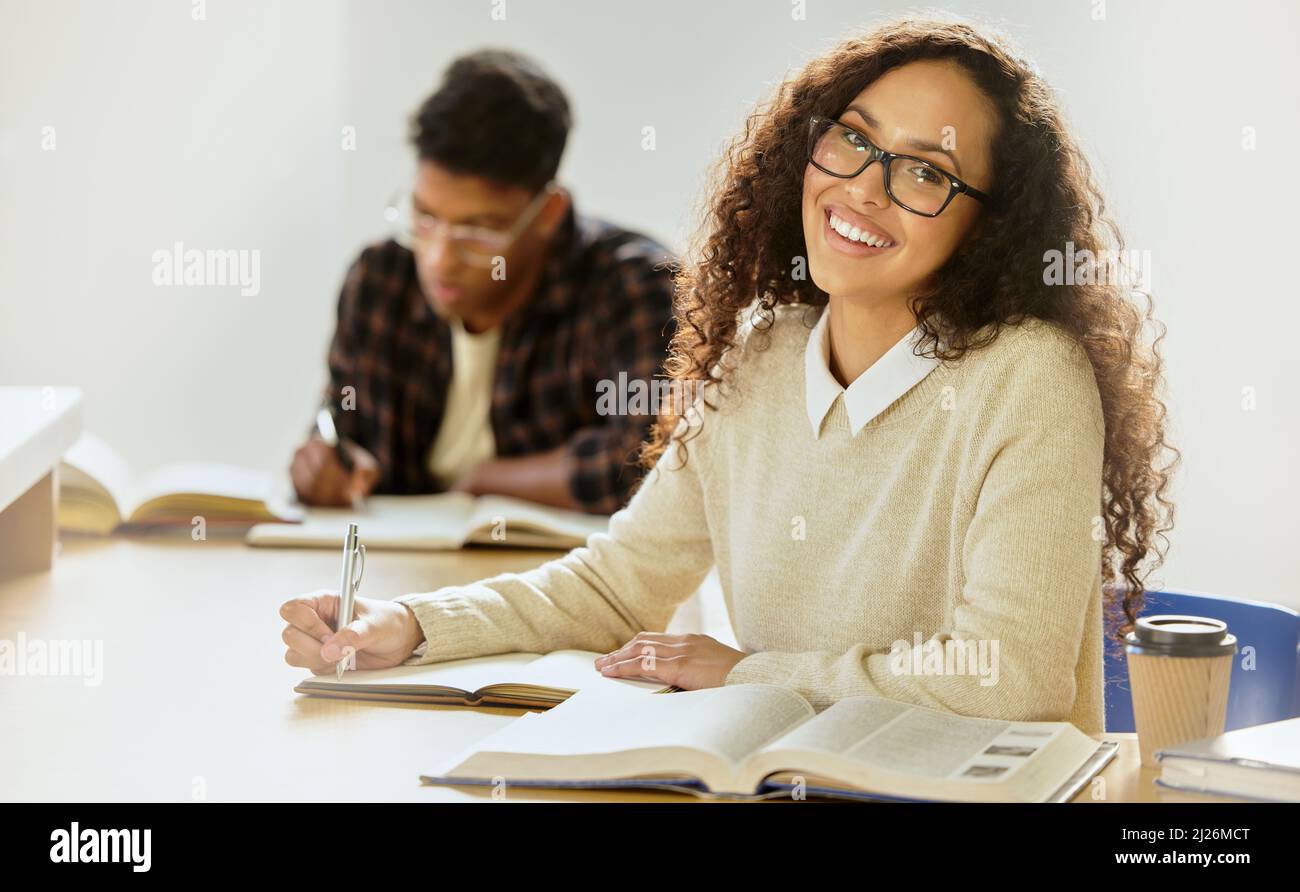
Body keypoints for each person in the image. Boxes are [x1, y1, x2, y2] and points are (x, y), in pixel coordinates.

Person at [280, 17, 1178, 735]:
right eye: (853, 141)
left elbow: (1009, 678)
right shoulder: (759, 355)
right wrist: (411, 626)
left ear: (989, 226)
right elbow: (612, 586)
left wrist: (747, 672)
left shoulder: (1031, 377)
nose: (864, 189)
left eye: (925, 173)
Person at [289, 49, 676, 515]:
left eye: (478, 231)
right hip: (393, 578)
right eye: (425, 217)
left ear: (548, 213)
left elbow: (648, 460)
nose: (439, 258)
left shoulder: (634, 286)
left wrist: (481, 481)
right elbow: (342, 427)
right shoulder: (380, 280)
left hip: (555, 582)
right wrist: (326, 467)